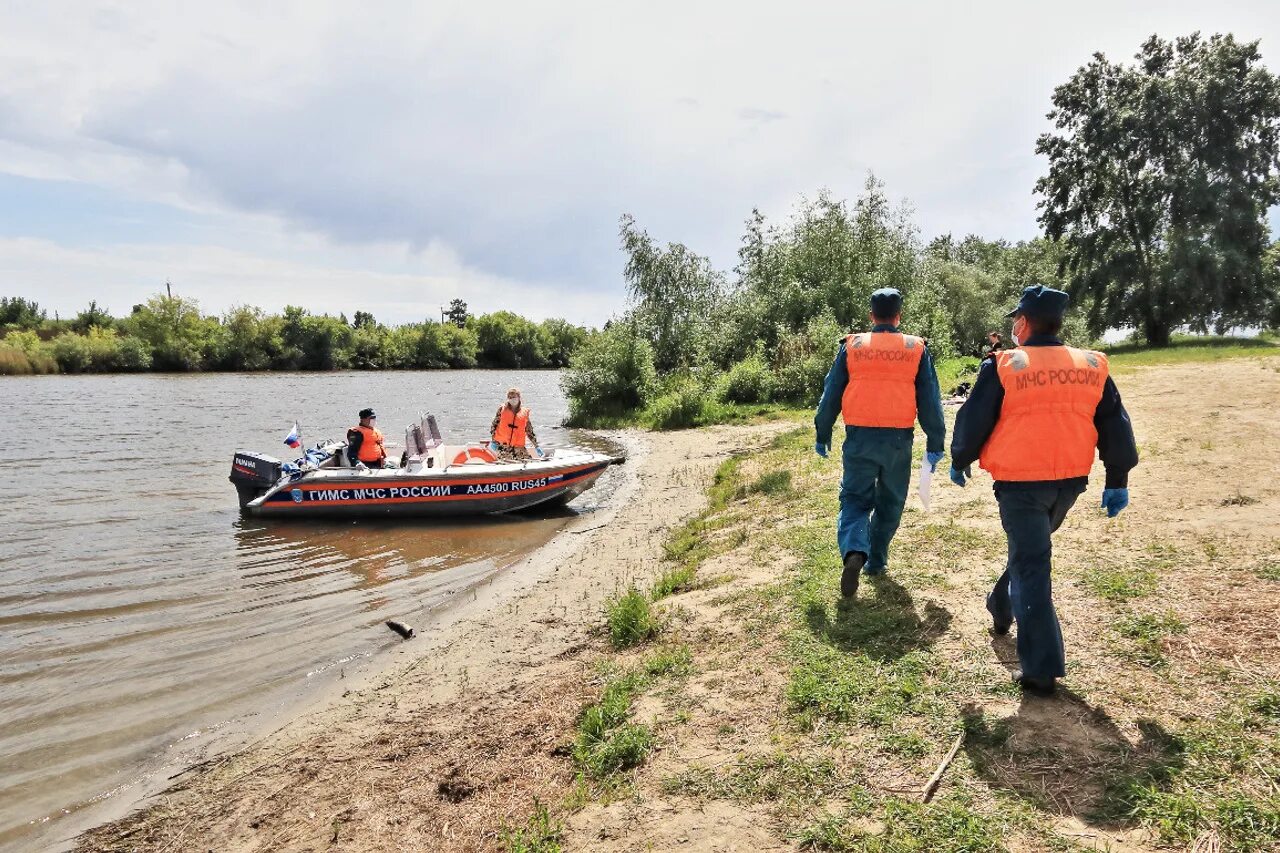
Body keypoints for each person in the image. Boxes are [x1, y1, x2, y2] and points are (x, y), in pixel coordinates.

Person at [949, 285, 1138, 696]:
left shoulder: (1005, 363)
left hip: (1020, 485)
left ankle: (1040, 668)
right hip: (1069, 483)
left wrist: (959, 457)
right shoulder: (1090, 364)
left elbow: (975, 416)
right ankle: (1001, 606)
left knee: (1031, 562)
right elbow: (1115, 423)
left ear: (1023, 322)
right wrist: (1117, 479)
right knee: (1029, 554)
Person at [814, 287, 948, 598]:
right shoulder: (915, 347)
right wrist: (936, 441)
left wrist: (823, 432)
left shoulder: (853, 345)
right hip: (898, 439)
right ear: (899, 316)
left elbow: (831, 391)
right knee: (891, 501)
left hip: (859, 436)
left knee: (855, 499)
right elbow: (930, 399)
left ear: (871, 316)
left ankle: (854, 552)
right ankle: (876, 560)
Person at [490, 387, 542, 461]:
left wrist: (536, 446)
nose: (512, 399)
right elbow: (494, 426)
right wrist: (494, 441)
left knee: (529, 464)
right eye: (510, 397)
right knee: (504, 463)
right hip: (503, 447)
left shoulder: (524, 413)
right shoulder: (502, 410)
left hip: (519, 449)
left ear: (519, 397)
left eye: (514, 397)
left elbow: (529, 432)